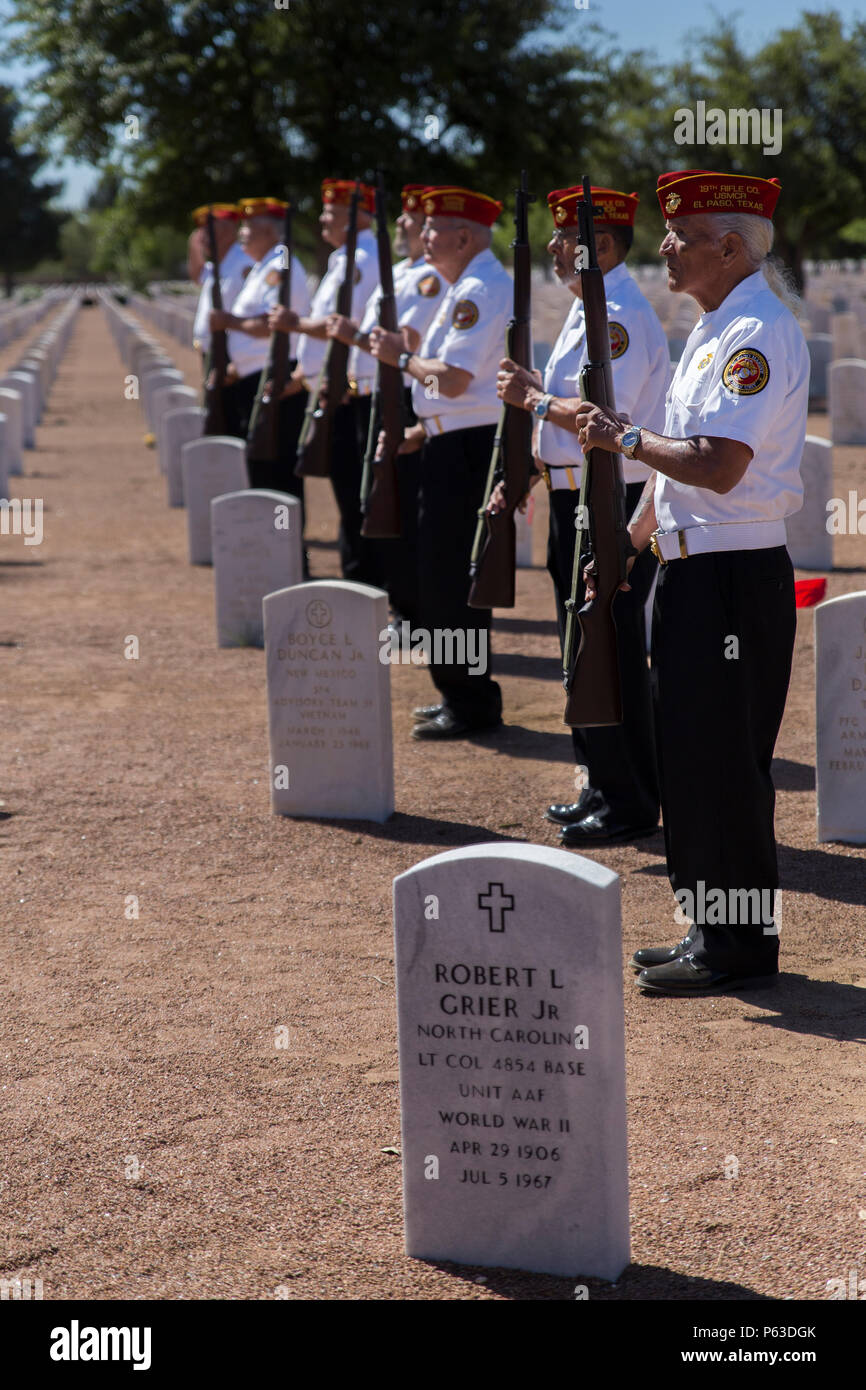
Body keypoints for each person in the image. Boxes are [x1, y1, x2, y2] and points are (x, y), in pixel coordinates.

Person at [576, 169, 809, 995]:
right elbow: (677, 474)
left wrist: (621, 437)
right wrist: (631, 543)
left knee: (724, 763)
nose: (665, 247)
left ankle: (740, 947)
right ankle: (708, 925)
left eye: (682, 235)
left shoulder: (754, 334)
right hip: (689, 569)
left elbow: (717, 465)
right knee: (688, 757)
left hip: (733, 576)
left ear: (732, 247)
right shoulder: (712, 329)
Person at [495, 185, 669, 844]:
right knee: (583, 643)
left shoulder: (617, 313)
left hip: (612, 497)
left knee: (612, 644)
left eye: (565, 236)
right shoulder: (587, 305)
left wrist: (536, 400)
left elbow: (610, 420)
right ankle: (599, 781)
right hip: (572, 494)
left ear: (600, 245)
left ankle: (628, 801)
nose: (551, 246)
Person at [370, 185, 511, 740]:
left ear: (463, 236)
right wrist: (418, 429)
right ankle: (458, 693)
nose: (421, 238)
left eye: (432, 230)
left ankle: (472, 701)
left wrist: (401, 358)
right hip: (449, 441)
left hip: (468, 450)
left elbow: (450, 381)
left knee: (455, 580)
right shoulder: (464, 287)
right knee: (443, 577)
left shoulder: (478, 288)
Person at [324, 184, 447, 630]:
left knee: (402, 510)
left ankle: (411, 613)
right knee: (377, 500)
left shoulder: (431, 279)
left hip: (406, 399)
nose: (401, 225)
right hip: (380, 395)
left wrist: (352, 337)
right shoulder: (404, 272)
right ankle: (400, 606)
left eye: (411, 220)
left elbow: (407, 345)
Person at [270, 179, 379, 583]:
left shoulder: (361, 260)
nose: (322, 218)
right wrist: (303, 377)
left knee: (355, 497)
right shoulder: (344, 259)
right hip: (329, 390)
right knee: (346, 494)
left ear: (357, 217)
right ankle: (358, 580)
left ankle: (364, 584)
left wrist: (295, 323)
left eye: (331, 212)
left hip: (348, 395)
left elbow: (342, 327)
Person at [209, 197, 311, 512]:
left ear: (270, 232)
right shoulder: (261, 268)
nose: (242, 234)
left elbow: (270, 324)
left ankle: (289, 552)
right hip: (253, 378)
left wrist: (228, 322)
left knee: (277, 471)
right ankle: (273, 547)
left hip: (274, 377)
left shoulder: (278, 266)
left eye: (250, 227)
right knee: (262, 468)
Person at [189, 204, 253, 378]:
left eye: (209, 232)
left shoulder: (244, 263)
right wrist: (194, 245)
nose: (204, 238)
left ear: (229, 231)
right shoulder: (220, 263)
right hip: (212, 351)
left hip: (230, 354)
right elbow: (197, 275)